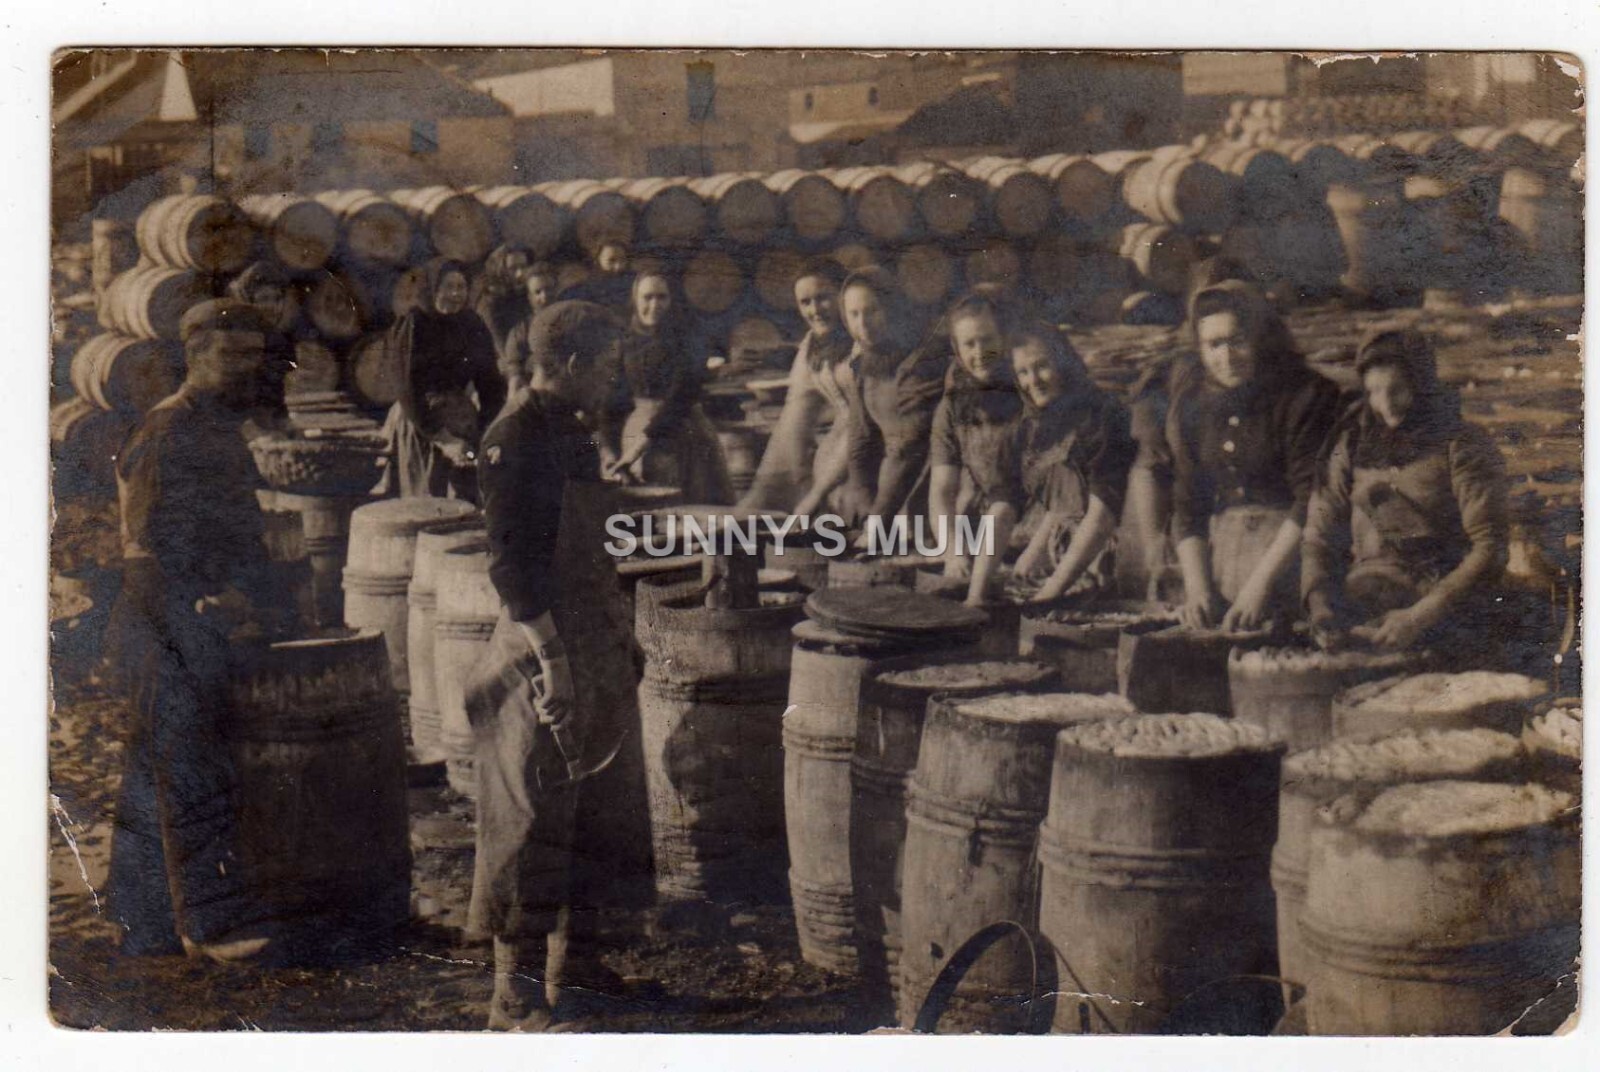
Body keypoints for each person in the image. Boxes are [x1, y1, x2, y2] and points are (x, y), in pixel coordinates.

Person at [468, 301, 642, 1031]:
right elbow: (515, 572)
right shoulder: (514, 439)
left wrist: (617, 634)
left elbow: (587, 546)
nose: (613, 379)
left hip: (590, 640)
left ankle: (580, 972)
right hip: (538, 651)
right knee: (530, 816)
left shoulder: (570, 432)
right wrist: (556, 666)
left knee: (598, 811)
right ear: (568, 365)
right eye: (605, 365)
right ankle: (512, 998)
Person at [104, 300, 295, 963]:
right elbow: (156, 536)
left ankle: (142, 920)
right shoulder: (169, 430)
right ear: (197, 354)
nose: (248, 368)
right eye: (233, 355)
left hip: (189, 615)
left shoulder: (217, 427)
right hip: (166, 617)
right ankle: (210, 927)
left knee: (156, 767)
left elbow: (235, 524)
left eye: (254, 355)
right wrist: (221, 593)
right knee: (188, 766)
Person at [1302, 327, 1511, 656]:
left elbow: (1489, 547)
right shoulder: (1352, 442)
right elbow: (1319, 534)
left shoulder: (1460, 444)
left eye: (1397, 390)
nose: (1385, 407)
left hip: (1443, 612)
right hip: (1363, 605)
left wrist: (1421, 615)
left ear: (1422, 385)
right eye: (1373, 391)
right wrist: (1320, 606)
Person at [1166, 279, 1339, 632]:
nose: (1225, 357)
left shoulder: (1305, 396)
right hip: (1224, 560)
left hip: (1294, 560)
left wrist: (1260, 587)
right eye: (1214, 345)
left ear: (1261, 338)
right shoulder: (1193, 405)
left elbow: (1312, 499)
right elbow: (1188, 505)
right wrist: (1198, 590)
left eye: (1237, 341)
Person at [1008, 320, 1138, 603]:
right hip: (1069, 553)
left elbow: (1102, 516)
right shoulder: (1041, 420)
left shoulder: (1104, 415)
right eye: (1023, 372)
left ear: (1064, 362)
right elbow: (1062, 500)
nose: (1033, 381)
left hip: (1108, 554)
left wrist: (1052, 589)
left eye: (1041, 365)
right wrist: (1035, 551)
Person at [925, 290, 1028, 604]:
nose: (980, 352)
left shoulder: (1029, 387)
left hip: (1033, 521)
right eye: (969, 344)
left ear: (1004, 339)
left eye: (987, 339)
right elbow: (942, 489)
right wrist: (953, 552)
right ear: (957, 349)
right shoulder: (953, 406)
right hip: (990, 528)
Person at [377, 258, 506, 501]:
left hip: (460, 415)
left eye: (461, 287)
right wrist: (441, 437)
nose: (455, 294)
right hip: (419, 420)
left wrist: (489, 430)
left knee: (465, 496)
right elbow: (407, 388)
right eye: (448, 287)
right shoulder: (415, 323)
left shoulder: (472, 324)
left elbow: (490, 382)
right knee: (425, 497)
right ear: (432, 289)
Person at [738, 259, 857, 514]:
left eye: (823, 298)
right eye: (805, 302)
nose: (815, 310)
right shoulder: (812, 344)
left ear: (843, 295)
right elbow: (794, 421)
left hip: (875, 448)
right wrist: (762, 493)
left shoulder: (864, 339)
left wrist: (817, 493)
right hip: (838, 449)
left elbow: (863, 424)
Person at [607, 268, 732, 503]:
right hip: (636, 430)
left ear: (672, 300)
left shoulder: (685, 339)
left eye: (661, 297)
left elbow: (680, 398)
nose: (654, 305)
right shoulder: (624, 341)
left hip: (685, 433)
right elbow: (614, 399)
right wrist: (609, 449)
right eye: (647, 297)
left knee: (694, 509)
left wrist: (638, 447)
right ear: (635, 300)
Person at [840, 266, 946, 534]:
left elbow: (911, 449)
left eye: (872, 311)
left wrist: (878, 520)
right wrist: (862, 491)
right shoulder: (864, 363)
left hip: (931, 475)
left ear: (893, 307)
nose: (863, 324)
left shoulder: (923, 358)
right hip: (895, 475)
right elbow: (861, 437)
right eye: (854, 314)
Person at [226, 260, 297, 434]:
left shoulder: (278, 342)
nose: (272, 307)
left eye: (277, 298)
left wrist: (285, 426)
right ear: (248, 303)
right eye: (263, 299)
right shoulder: (236, 344)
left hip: (269, 428)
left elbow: (277, 399)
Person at [499, 261, 562, 398]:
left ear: (558, 289)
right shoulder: (522, 329)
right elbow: (514, 367)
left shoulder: (572, 320)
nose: (544, 297)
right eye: (537, 292)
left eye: (549, 289)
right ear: (529, 297)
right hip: (534, 392)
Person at [473, 244, 534, 359]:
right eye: (513, 268)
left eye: (524, 266)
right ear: (500, 270)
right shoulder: (490, 303)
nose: (520, 273)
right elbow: (503, 352)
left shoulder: (526, 295)